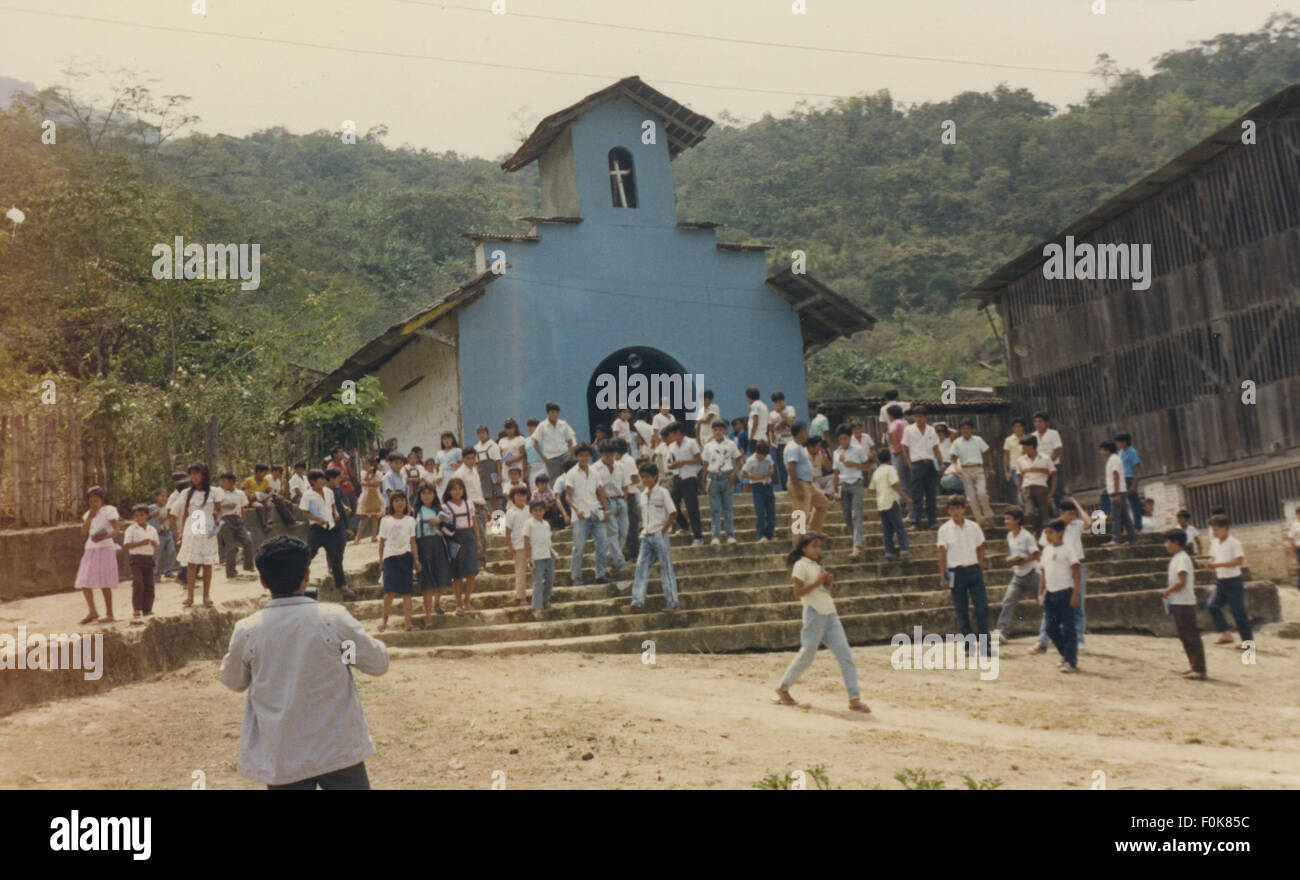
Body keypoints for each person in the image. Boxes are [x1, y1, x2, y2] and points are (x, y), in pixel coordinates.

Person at [219, 536, 389, 790]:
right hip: (338, 748)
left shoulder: (248, 631)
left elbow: (234, 681)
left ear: (263, 581)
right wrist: (342, 654)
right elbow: (376, 663)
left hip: (284, 754)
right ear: (307, 575)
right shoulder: (332, 620)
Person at [774, 531, 870, 713]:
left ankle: (854, 698)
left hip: (829, 613)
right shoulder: (800, 565)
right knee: (807, 654)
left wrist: (828, 582)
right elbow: (798, 592)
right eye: (814, 545)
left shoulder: (817, 566)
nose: (818, 549)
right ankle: (783, 687)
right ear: (804, 548)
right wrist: (820, 580)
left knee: (845, 656)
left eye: (819, 546)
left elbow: (824, 591)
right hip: (814, 614)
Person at [1031, 498, 1088, 652]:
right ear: (1061, 512)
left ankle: (1079, 639)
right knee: (1050, 606)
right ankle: (1043, 641)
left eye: (1073, 513)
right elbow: (1045, 548)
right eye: (1069, 513)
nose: (1072, 516)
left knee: (1078, 605)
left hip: (1076, 566)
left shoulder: (1077, 525)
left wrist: (1076, 504)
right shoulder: (1052, 528)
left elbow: (1089, 522)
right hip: (1056, 567)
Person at [936, 495, 990, 656]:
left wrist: (979, 566)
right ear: (948, 511)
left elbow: (980, 547)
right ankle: (969, 644)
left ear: (963, 509)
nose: (956, 512)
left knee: (981, 608)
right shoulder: (944, 530)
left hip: (973, 570)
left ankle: (985, 643)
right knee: (961, 609)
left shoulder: (974, 527)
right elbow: (942, 554)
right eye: (952, 509)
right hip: (955, 572)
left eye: (958, 508)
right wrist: (943, 575)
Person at [624, 463, 679, 613]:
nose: (645, 480)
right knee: (641, 567)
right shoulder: (642, 495)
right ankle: (637, 602)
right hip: (646, 535)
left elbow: (673, 513)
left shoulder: (662, 492)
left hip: (659, 533)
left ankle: (673, 603)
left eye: (648, 477)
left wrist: (663, 532)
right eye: (643, 477)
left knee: (666, 568)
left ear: (655, 477)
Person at [1038, 518, 1082, 673]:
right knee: (1051, 628)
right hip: (1050, 595)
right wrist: (1041, 592)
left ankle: (1071, 661)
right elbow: (1043, 573)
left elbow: (1076, 573)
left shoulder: (1068, 550)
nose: (1048, 536)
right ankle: (1066, 655)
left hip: (1065, 593)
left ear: (1060, 532)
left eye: (1051, 532)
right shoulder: (1046, 550)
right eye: (1046, 533)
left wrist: (1076, 593)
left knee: (1069, 628)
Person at [566, 442, 611, 586]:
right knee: (579, 547)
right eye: (581, 456)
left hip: (596, 512)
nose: (584, 458)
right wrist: (576, 509)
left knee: (602, 543)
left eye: (586, 455)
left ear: (590, 456)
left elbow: (600, 492)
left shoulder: (595, 472)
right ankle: (576, 577)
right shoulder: (571, 473)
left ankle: (601, 575)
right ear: (577, 456)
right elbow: (568, 496)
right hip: (580, 515)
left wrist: (606, 509)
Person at [1163, 529, 1206, 680]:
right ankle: (1193, 666)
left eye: (1167, 541)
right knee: (1185, 636)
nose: (1165, 545)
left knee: (1191, 636)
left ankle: (1199, 669)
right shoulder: (1177, 558)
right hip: (1178, 602)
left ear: (1176, 543)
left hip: (1184, 602)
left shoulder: (1182, 558)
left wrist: (1168, 590)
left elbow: (1182, 581)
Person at [176, 464, 219, 608]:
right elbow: (185, 515)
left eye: (197, 473)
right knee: (191, 564)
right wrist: (181, 534)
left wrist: (216, 529)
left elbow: (219, 512)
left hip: (208, 530)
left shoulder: (214, 492)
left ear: (204, 475)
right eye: (191, 474)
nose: (194, 477)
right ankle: (190, 596)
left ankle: (206, 595)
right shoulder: (186, 493)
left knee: (207, 564)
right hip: (192, 530)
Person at [1206, 514, 1252, 649]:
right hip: (1220, 581)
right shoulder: (1214, 542)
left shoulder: (1234, 543)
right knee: (1212, 605)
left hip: (1233, 581)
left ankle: (1248, 643)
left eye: (1216, 530)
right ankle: (1225, 634)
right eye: (1213, 530)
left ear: (1225, 528)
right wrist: (1209, 562)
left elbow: (1239, 561)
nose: (1214, 533)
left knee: (1238, 612)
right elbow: (1212, 556)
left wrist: (1218, 565)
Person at [75, 486, 121, 623]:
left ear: (102, 500)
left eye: (96, 501)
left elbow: (116, 530)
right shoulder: (88, 514)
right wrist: (89, 516)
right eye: (91, 501)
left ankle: (110, 613)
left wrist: (102, 538)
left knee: (105, 582)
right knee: (84, 580)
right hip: (90, 549)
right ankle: (93, 611)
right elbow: (83, 532)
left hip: (105, 548)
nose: (94, 504)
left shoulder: (109, 510)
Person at [377, 491, 418, 632]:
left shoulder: (410, 520)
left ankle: (408, 622)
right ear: (392, 504)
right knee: (389, 592)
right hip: (390, 558)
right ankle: (384, 619)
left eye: (402, 500)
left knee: (407, 592)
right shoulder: (385, 520)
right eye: (396, 501)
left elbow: (413, 542)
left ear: (406, 502)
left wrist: (416, 560)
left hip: (406, 558)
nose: (399, 503)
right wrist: (381, 561)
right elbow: (382, 542)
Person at [995, 507, 1039, 640]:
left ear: (1017, 520)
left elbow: (1036, 554)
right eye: (1005, 519)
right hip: (1018, 575)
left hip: (1032, 574)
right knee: (1008, 600)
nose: (1005, 521)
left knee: (1044, 602)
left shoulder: (1027, 536)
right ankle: (1002, 631)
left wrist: (1022, 561)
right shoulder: (1009, 536)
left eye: (1008, 519)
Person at [442, 478, 483, 614]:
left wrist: (478, 540)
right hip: (454, 539)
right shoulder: (445, 507)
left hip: (468, 538)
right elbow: (442, 526)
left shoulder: (469, 504)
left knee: (472, 571)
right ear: (449, 491)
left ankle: (467, 600)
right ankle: (458, 604)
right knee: (457, 574)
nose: (457, 492)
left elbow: (474, 523)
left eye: (460, 489)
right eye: (454, 489)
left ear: (463, 490)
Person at [413, 483, 452, 623]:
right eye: (424, 493)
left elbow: (448, 526)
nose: (427, 496)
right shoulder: (415, 511)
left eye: (430, 493)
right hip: (423, 546)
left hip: (438, 545)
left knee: (442, 579)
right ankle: (428, 616)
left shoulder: (440, 510)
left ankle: (437, 602)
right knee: (427, 583)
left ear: (434, 495)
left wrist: (439, 522)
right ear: (419, 495)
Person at [785, 422, 828, 547]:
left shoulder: (799, 447)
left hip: (809, 484)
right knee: (799, 516)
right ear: (801, 432)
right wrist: (798, 489)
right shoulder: (793, 447)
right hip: (799, 484)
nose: (807, 435)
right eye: (806, 431)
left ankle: (811, 533)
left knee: (822, 504)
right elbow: (791, 467)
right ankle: (797, 548)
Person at [831, 425, 869, 557]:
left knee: (856, 514)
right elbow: (835, 473)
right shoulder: (836, 453)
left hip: (856, 483)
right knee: (847, 517)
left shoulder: (858, 450)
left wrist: (854, 464)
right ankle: (858, 539)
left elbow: (868, 467)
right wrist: (834, 490)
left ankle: (857, 545)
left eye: (845, 438)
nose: (843, 441)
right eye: (841, 439)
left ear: (850, 438)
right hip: (843, 485)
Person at [902, 406, 941, 530]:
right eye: (916, 416)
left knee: (931, 494)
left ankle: (932, 521)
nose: (918, 419)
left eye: (921, 416)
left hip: (929, 463)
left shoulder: (931, 430)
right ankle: (915, 522)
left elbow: (935, 448)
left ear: (925, 417)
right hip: (917, 464)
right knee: (917, 494)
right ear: (914, 417)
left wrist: (941, 463)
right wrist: (909, 464)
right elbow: (904, 448)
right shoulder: (909, 429)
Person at [702, 419, 741, 545]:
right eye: (715, 430)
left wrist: (733, 475)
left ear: (724, 430)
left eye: (720, 429)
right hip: (713, 478)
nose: (718, 432)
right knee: (715, 509)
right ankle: (716, 536)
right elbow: (705, 464)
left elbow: (738, 460)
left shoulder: (730, 444)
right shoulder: (708, 446)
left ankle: (730, 535)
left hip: (727, 476)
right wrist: (703, 481)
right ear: (712, 431)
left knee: (728, 508)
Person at [665, 422, 704, 545]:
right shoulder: (671, 447)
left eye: (671, 434)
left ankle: (698, 537)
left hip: (689, 478)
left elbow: (699, 459)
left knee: (692, 508)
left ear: (678, 432)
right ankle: (684, 526)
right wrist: (674, 465)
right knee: (672, 503)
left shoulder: (691, 442)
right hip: (677, 478)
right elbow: (668, 463)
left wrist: (685, 462)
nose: (670, 437)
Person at [595, 441, 631, 571]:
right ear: (602, 454)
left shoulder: (621, 466)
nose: (610, 457)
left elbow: (626, 484)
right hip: (606, 501)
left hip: (620, 499)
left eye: (612, 454)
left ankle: (610, 557)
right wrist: (604, 507)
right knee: (612, 532)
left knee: (624, 530)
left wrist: (624, 498)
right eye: (607, 454)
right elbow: (597, 489)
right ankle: (620, 562)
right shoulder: (595, 468)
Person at [870, 449, 911, 561]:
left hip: (881, 504)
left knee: (887, 529)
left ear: (878, 460)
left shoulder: (876, 472)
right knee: (899, 527)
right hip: (892, 502)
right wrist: (906, 498)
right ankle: (904, 550)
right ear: (889, 459)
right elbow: (895, 485)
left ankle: (889, 552)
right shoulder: (891, 469)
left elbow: (871, 489)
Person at [215, 471, 256, 581]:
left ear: (231, 482)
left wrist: (242, 519)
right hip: (225, 520)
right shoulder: (218, 492)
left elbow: (242, 508)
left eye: (224, 481)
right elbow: (214, 507)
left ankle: (248, 565)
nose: (222, 483)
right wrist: (226, 506)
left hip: (237, 519)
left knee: (248, 541)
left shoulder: (240, 493)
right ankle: (231, 571)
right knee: (231, 547)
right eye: (221, 481)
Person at [950, 420, 993, 523]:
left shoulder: (978, 440)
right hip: (965, 470)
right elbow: (953, 456)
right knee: (971, 498)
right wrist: (956, 466)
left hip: (978, 469)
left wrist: (991, 468)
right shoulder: (957, 442)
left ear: (971, 429)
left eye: (967, 428)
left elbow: (987, 453)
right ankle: (980, 520)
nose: (965, 430)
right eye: (963, 428)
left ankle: (988, 516)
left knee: (982, 493)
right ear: (960, 430)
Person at [122, 503, 159, 620]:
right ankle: (137, 608)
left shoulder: (152, 529)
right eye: (136, 516)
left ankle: (147, 609)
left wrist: (152, 542)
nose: (139, 518)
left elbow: (156, 544)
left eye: (142, 515)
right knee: (138, 583)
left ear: (147, 516)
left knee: (149, 585)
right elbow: (127, 544)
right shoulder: (131, 529)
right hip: (136, 558)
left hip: (148, 558)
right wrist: (140, 543)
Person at [453, 448, 490, 563]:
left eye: (473, 458)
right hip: (471, 508)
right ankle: (478, 564)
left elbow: (478, 490)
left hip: (481, 506)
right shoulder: (459, 474)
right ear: (463, 459)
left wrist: (486, 508)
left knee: (484, 537)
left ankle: (481, 564)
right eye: (468, 458)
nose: (471, 461)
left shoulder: (475, 471)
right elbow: (458, 494)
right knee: (480, 537)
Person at [524, 499, 557, 616]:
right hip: (536, 557)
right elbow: (526, 541)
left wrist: (554, 554)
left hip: (548, 555)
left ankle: (545, 601)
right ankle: (537, 607)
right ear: (531, 512)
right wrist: (528, 558)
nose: (538, 513)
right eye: (535, 511)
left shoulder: (546, 524)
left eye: (541, 510)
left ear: (544, 511)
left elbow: (549, 541)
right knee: (538, 582)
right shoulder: (529, 523)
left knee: (550, 579)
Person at [1016, 435, 1056, 534]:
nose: (1023, 448)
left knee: (1044, 515)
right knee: (1029, 513)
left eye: (1025, 446)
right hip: (1027, 489)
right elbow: (1019, 476)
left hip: (1042, 488)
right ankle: (1035, 531)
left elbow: (1054, 475)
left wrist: (1051, 492)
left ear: (1032, 446)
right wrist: (1019, 489)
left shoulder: (1045, 458)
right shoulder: (1020, 460)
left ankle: (1045, 537)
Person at [531, 403, 577, 484]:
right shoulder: (542, 426)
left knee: (570, 478)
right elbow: (535, 443)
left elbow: (570, 440)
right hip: (551, 459)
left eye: (557, 412)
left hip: (565, 456)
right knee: (555, 481)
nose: (555, 414)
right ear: (548, 413)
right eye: (552, 412)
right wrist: (543, 457)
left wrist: (571, 455)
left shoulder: (563, 424)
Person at [1100, 441, 1136, 544]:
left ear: (1107, 450)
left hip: (1117, 492)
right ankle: (1132, 539)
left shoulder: (1114, 460)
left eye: (1102, 450)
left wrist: (1116, 494)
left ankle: (1116, 539)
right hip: (1120, 492)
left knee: (1116, 517)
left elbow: (1116, 476)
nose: (1101, 452)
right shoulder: (1114, 459)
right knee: (1125, 517)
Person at [504, 486, 533, 606]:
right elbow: (508, 530)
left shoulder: (530, 510)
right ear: (513, 498)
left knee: (536, 571)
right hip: (518, 546)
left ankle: (538, 596)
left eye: (523, 495)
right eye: (518, 495)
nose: (521, 498)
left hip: (532, 545)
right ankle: (521, 597)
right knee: (520, 572)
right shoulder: (510, 512)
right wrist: (509, 545)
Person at [742, 440, 776, 542]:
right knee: (760, 511)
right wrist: (754, 477)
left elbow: (772, 467)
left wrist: (771, 471)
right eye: (762, 455)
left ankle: (769, 534)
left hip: (768, 485)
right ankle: (761, 535)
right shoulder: (750, 460)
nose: (764, 457)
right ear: (757, 453)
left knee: (771, 511)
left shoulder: (768, 457)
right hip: (757, 486)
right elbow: (743, 474)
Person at [1032, 411, 1064, 513]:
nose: (1037, 424)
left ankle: (1063, 515)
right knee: (1042, 494)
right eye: (1036, 422)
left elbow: (1057, 450)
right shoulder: (1033, 436)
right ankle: (1049, 517)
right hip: (1040, 470)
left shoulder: (1053, 433)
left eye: (1040, 421)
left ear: (1046, 422)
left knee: (1057, 492)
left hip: (1054, 467)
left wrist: (1048, 463)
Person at [1115, 433, 1142, 532]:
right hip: (1122, 480)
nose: (1117, 444)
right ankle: (1124, 526)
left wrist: (1134, 484)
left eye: (1119, 442)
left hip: (1130, 479)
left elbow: (1136, 467)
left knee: (1134, 503)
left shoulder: (1132, 452)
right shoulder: (1120, 452)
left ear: (1124, 442)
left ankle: (1138, 526)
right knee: (1122, 504)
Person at [473, 425, 504, 512]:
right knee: (486, 495)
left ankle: (499, 517)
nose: (481, 435)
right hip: (482, 475)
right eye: (479, 433)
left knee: (497, 494)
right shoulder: (476, 447)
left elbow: (498, 461)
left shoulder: (493, 445)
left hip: (493, 473)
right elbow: (475, 464)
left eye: (483, 433)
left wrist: (499, 476)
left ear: (487, 433)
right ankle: (490, 516)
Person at [354, 457, 384, 544]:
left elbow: (377, 484)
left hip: (376, 495)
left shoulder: (378, 473)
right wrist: (368, 474)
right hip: (366, 496)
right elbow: (363, 482)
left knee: (375, 517)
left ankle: (374, 536)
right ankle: (358, 537)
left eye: (367, 464)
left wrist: (368, 482)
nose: (366, 466)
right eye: (365, 464)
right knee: (363, 517)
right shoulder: (363, 472)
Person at [769, 391, 795, 491]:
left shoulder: (790, 409)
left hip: (791, 442)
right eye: (776, 402)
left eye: (780, 401)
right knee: (782, 468)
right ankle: (785, 489)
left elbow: (791, 423)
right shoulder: (771, 414)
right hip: (779, 444)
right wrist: (771, 441)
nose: (778, 404)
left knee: (792, 465)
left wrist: (781, 413)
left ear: (783, 400)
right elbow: (770, 430)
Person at [151, 489, 177, 582]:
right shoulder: (152, 507)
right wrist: (153, 515)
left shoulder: (168, 507)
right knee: (157, 554)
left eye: (166, 496)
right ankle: (155, 575)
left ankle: (168, 571)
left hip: (167, 532)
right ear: (156, 497)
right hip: (158, 533)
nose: (164, 498)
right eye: (162, 496)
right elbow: (144, 518)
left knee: (172, 551)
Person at [1002, 418, 1027, 506]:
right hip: (1015, 469)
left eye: (1020, 426)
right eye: (1016, 426)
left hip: (1027, 468)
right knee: (1020, 488)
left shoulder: (1027, 438)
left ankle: (1027, 509)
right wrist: (1006, 471)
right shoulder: (1009, 440)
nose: (1018, 428)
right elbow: (1006, 456)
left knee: (1026, 489)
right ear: (1013, 428)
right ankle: (1022, 509)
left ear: (1023, 427)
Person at [500, 419, 529, 491]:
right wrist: (505, 461)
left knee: (518, 488)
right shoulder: (502, 440)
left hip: (517, 467)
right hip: (506, 468)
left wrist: (512, 461)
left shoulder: (520, 439)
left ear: (515, 428)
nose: (509, 430)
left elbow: (522, 454)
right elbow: (500, 454)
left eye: (511, 428)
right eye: (507, 428)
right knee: (507, 488)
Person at [886, 404, 909, 488]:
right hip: (908, 452)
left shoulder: (894, 423)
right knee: (908, 478)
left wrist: (895, 446)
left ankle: (903, 500)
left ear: (891, 415)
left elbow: (891, 432)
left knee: (900, 478)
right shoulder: (905, 422)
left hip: (899, 454)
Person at [435, 432, 462, 500]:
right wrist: (435, 477)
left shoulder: (457, 451)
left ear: (452, 439)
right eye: (444, 439)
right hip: (441, 478)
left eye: (448, 438)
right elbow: (436, 467)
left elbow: (463, 466)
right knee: (441, 495)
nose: (446, 440)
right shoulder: (439, 453)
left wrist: (456, 465)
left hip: (453, 475)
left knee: (451, 494)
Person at [745, 386, 769, 456]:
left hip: (755, 438)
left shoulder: (755, 405)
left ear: (748, 397)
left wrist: (751, 437)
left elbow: (755, 423)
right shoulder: (764, 405)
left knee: (755, 461)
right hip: (763, 438)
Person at [1290, 506, 1300, 589]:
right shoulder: (1295, 525)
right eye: (1298, 513)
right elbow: (1291, 538)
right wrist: (1293, 550)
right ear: (1296, 515)